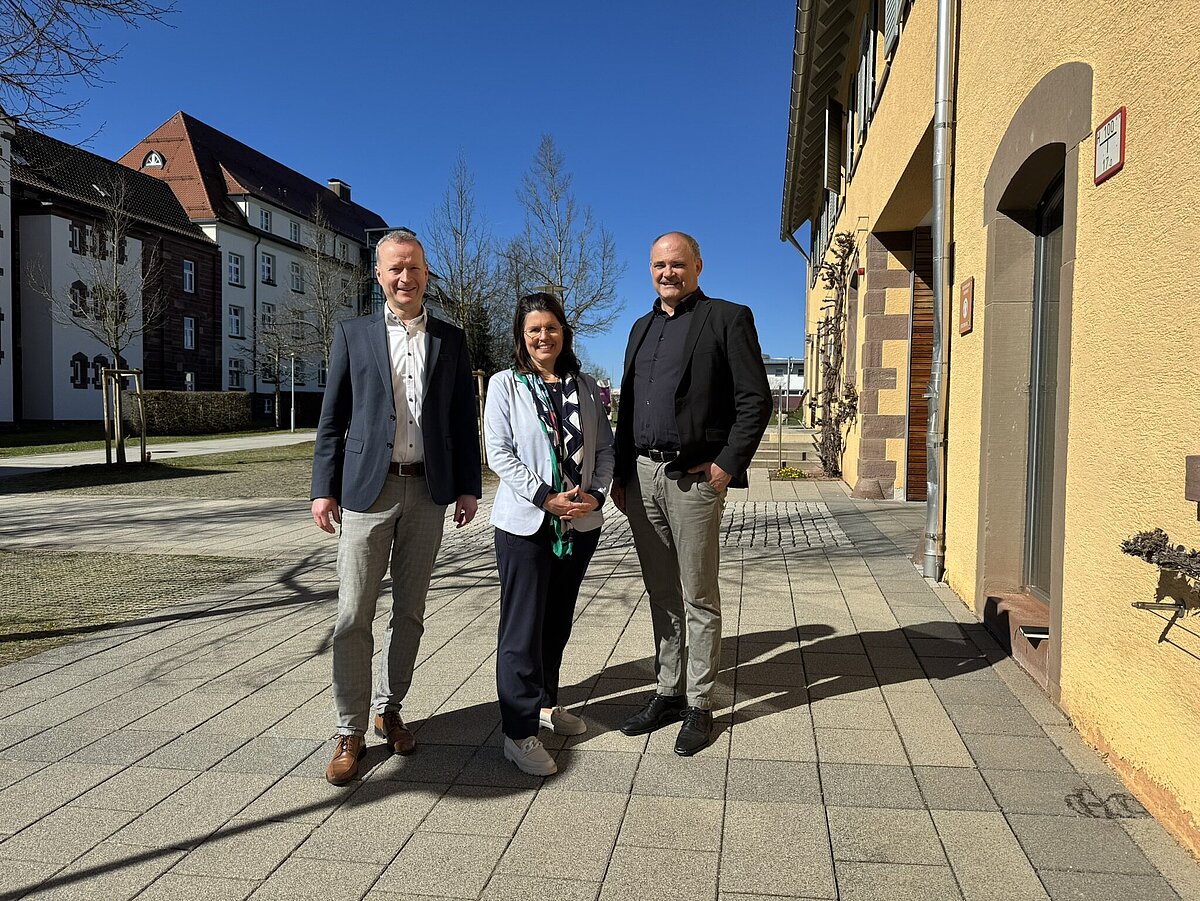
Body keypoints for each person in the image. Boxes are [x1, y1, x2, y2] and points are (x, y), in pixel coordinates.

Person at [310, 230, 482, 786]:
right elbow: (332, 418)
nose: (404, 278)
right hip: (368, 489)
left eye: (413, 268)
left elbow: (461, 419)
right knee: (353, 614)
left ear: (427, 273)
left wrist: (467, 485)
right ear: (379, 276)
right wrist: (322, 487)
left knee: (409, 612)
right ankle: (349, 729)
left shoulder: (451, 341)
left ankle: (389, 710)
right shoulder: (352, 333)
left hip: (427, 492)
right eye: (394, 270)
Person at [611, 231, 771, 756]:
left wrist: (727, 466)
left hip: (693, 480)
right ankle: (668, 691)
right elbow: (628, 405)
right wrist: (619, 473)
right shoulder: (640, 328)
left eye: (677, 264)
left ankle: (701, 704)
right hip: (642, 477)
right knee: (661, 593)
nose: (668, 273)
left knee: (698, 594)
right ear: (649, 269)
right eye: (659, 264)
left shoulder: (727, 318)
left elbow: (755, 401)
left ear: (698, 265)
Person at [484, 293, 615, 776]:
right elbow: (498, 453)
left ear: (565, 334)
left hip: (579, 523)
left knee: (556, 620)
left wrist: (595, 496)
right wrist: (545, 497)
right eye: (534, 329)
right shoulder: (505, 385)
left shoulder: (586, 385)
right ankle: (517, 733)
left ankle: (543, 704)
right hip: (527, 524)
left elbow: (606, 450)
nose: (544, 336)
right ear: (522, 335)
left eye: (552, 328)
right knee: (521, 629)